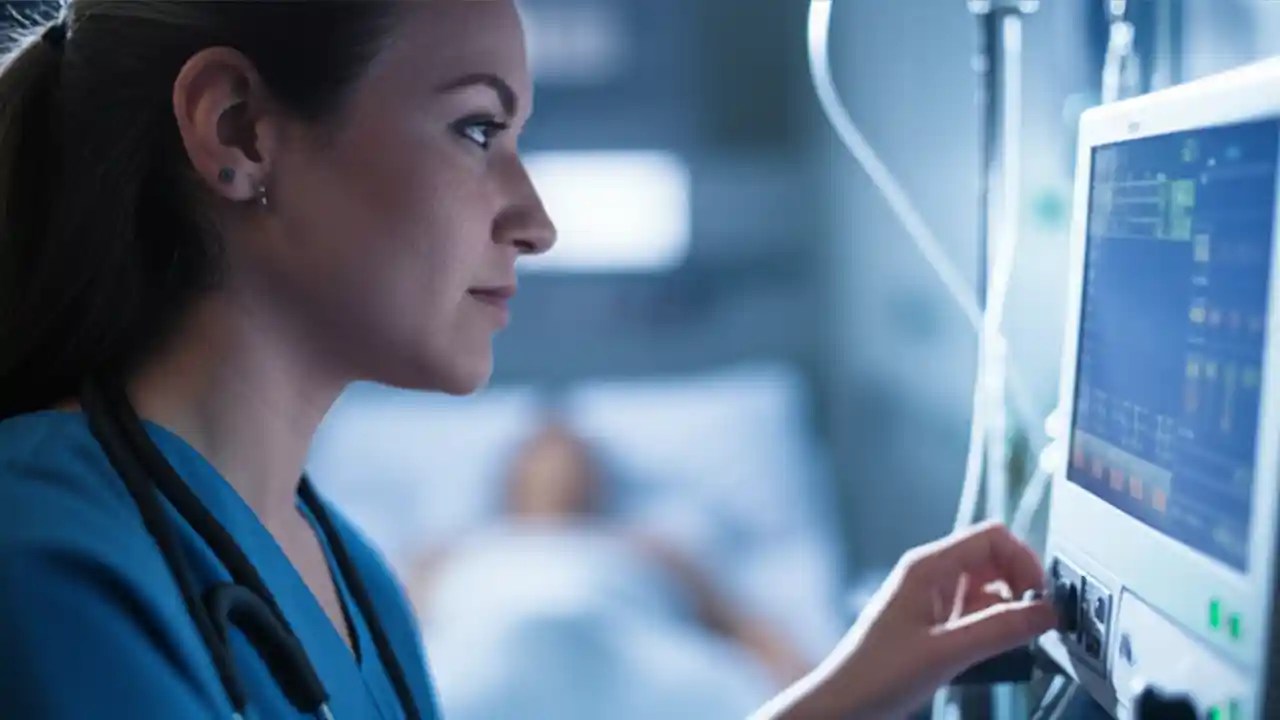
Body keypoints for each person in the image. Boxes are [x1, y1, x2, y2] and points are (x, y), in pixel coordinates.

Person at [0, 2, 1057, 719]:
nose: (536, 220)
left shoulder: (348, 575)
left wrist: (844, 694)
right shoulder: (48, 570)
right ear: (238, 132)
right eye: (473, 130)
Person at [409, 419, 812, 706]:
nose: (557, 473)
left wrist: (810, 692)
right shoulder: (450, 552)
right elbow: (380, 633)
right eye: (542, 460)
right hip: (485, 661)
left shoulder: (649, 547)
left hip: (629, 657)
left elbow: (745, 629)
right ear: (513, 476)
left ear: (597, 479)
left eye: (573, 460)